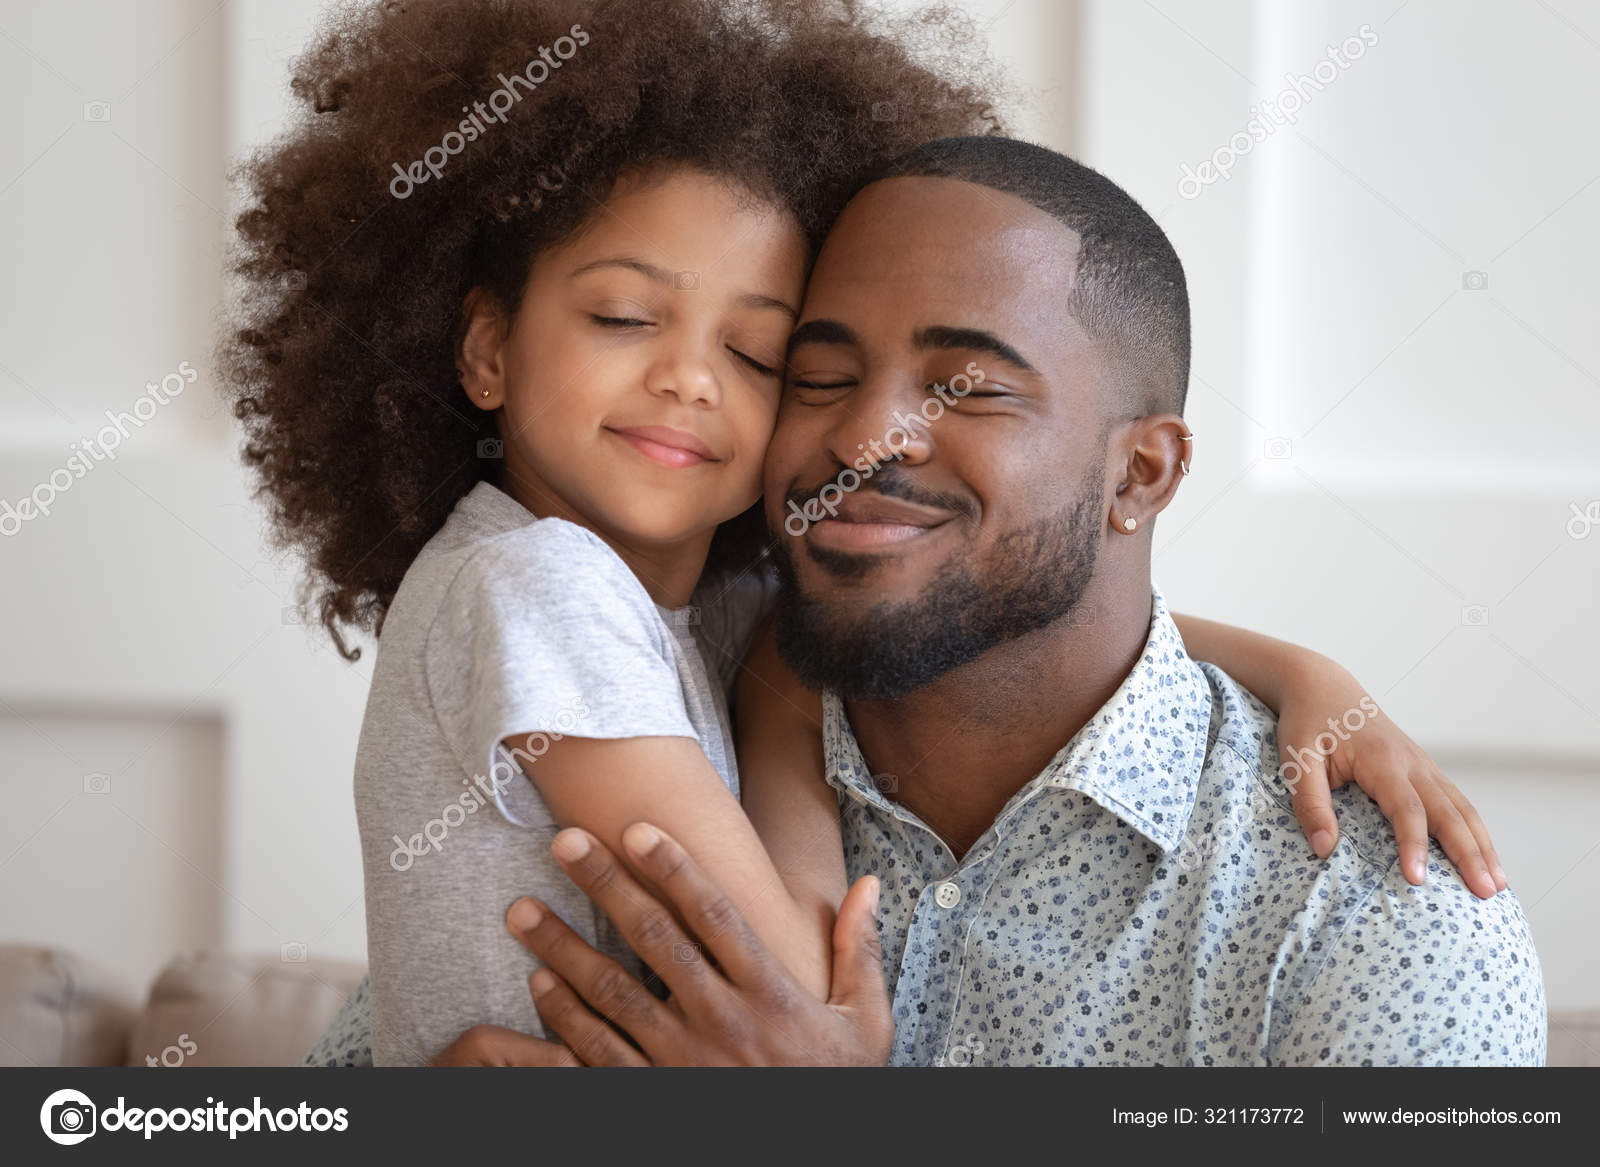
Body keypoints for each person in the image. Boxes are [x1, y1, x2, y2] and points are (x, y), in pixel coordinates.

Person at [220, 0, 1509, 1069]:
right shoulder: (610, 645)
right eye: (821, 374)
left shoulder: (1368, 919)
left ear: (1143, 473)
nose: (867, 439)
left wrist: (1303, 679)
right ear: (487, 347)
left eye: (756, 351)